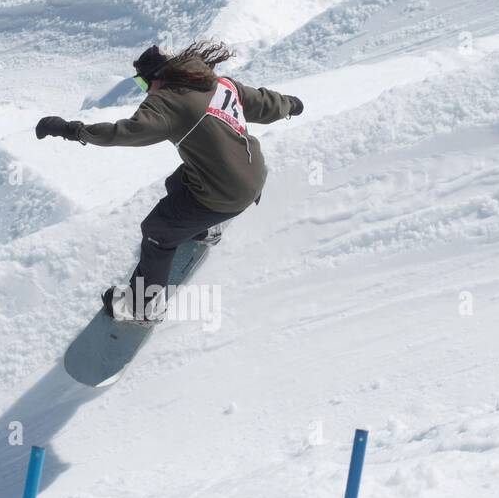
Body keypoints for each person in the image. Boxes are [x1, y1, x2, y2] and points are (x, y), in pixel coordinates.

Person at [35, 41, 304, 322]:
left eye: (143, 83)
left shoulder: (167, 101)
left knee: (156, 231)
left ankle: (143, 306)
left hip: (227, 193)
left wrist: (71, 129)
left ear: (157, 78)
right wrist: (291, 105)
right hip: (254, 172)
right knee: (179, 182)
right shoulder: (221, 84)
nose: (145, 90)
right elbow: (263, 104)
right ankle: (206, 229)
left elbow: (124, 132)